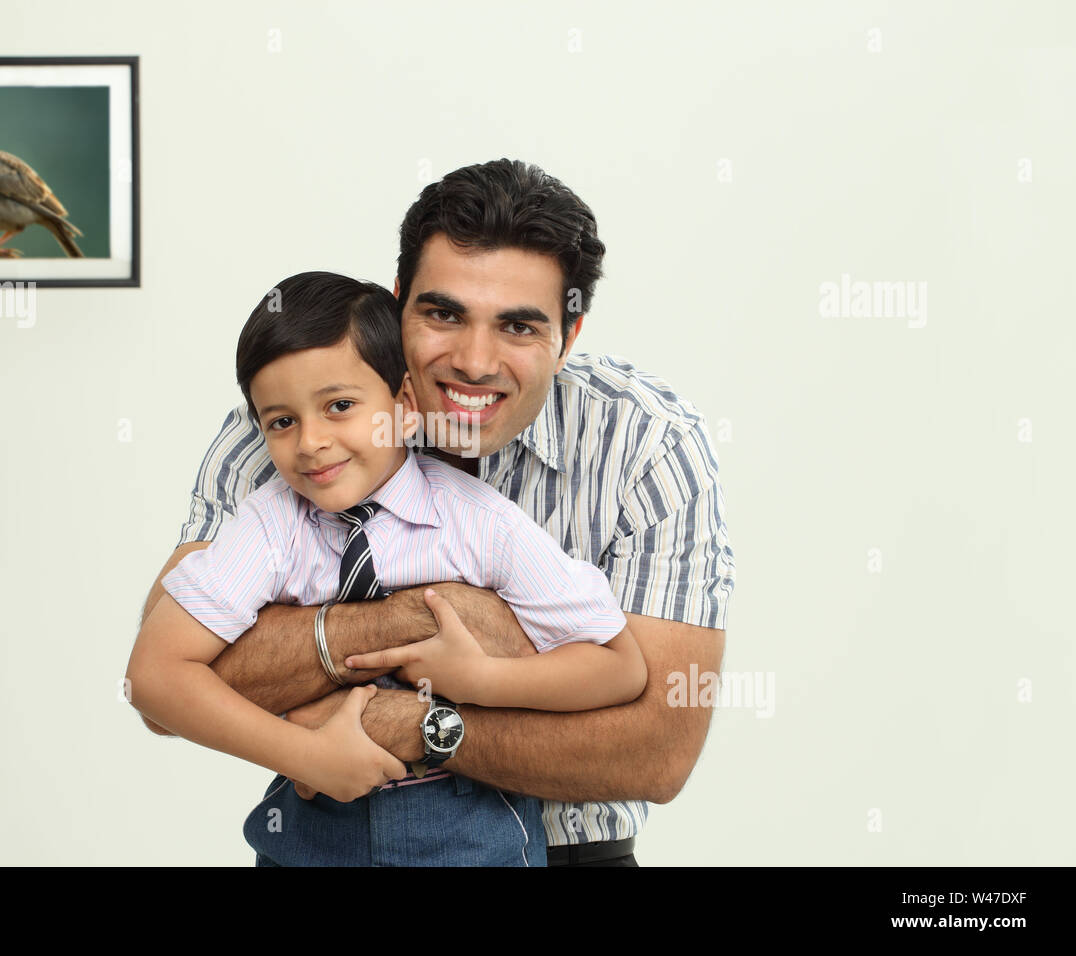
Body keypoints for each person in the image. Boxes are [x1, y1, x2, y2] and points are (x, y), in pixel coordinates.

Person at [136, 159, 736, 867]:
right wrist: (418, 616)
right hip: (322, 830)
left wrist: (423, 721)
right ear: (398, 305)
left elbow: (655, 751)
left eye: (518, 326)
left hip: (569, 850)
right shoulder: (284, 434)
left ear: (568, 339)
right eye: (444, 313)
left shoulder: (645, 445)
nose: (474, 362)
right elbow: (163, 685)